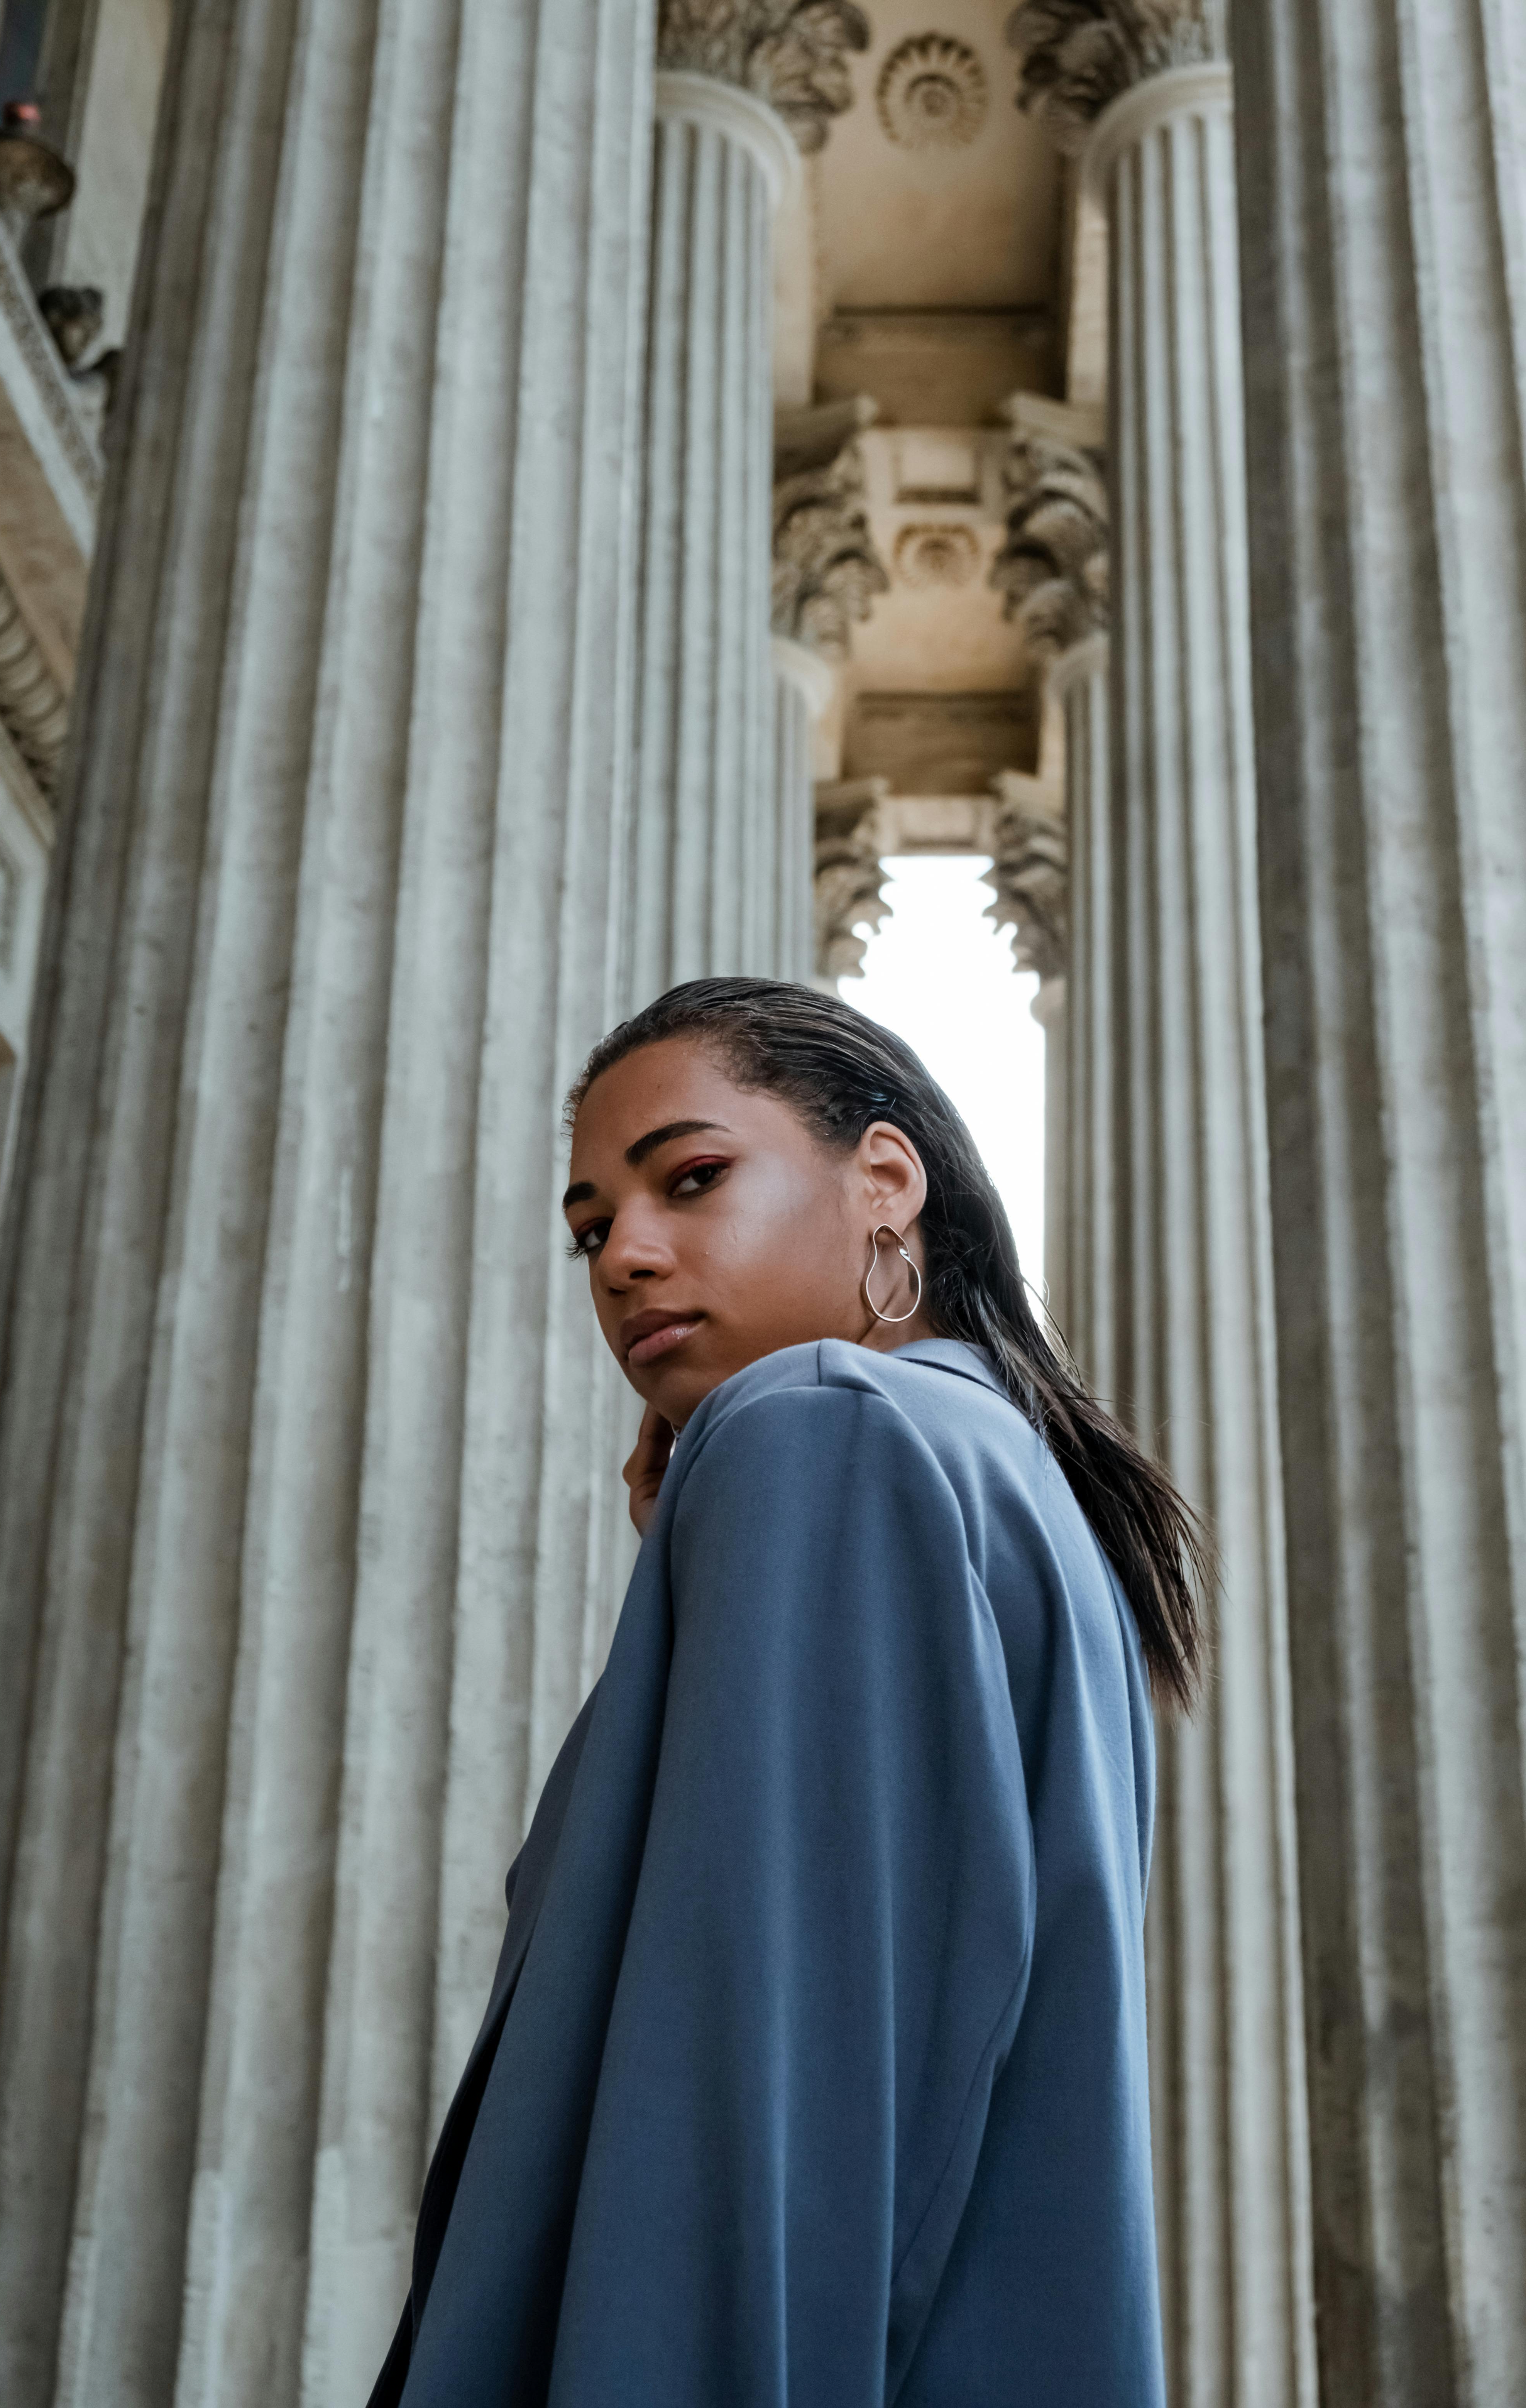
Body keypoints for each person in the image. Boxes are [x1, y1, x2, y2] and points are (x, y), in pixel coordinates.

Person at [368, 976, 1208, 2407]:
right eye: (590, 1230)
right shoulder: (1003, 1476)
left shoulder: (824, 1430)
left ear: (886, 1182)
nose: (626, 1257)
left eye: (692, 1179)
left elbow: (743, 2137)